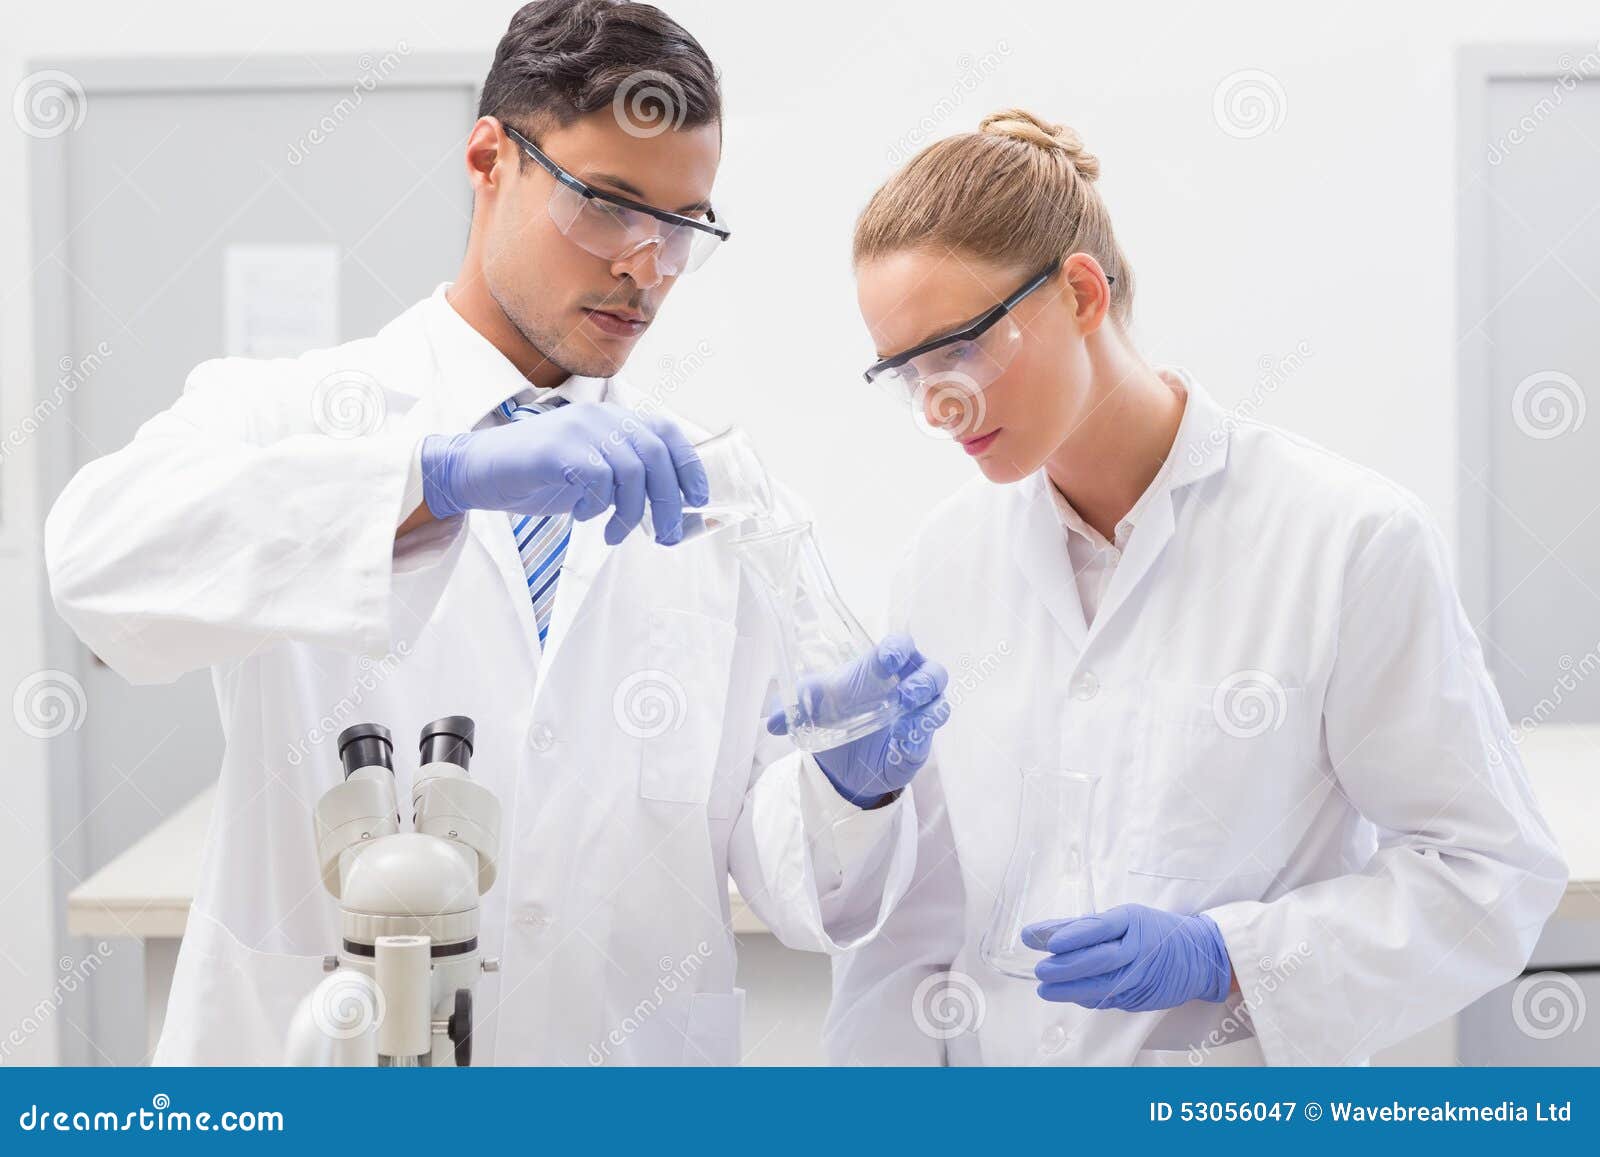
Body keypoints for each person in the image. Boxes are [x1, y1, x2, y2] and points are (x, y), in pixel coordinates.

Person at [45, 0, 948, 1065]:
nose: (648, 265)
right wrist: (432, 480)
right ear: (489, 159)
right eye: (609, 204)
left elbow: (802, 891)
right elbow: (97, 566)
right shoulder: (294, 415)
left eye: (683, 225)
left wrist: (853, 782)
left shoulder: (714, 497)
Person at [824, 108, 1567, 1066]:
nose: (937, 407)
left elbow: (1489, 874)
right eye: (907, 371)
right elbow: (914, 925)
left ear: (1081, 293)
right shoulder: (944, 561)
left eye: (960, 348)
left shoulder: (1343, 538)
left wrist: (1232, 956)